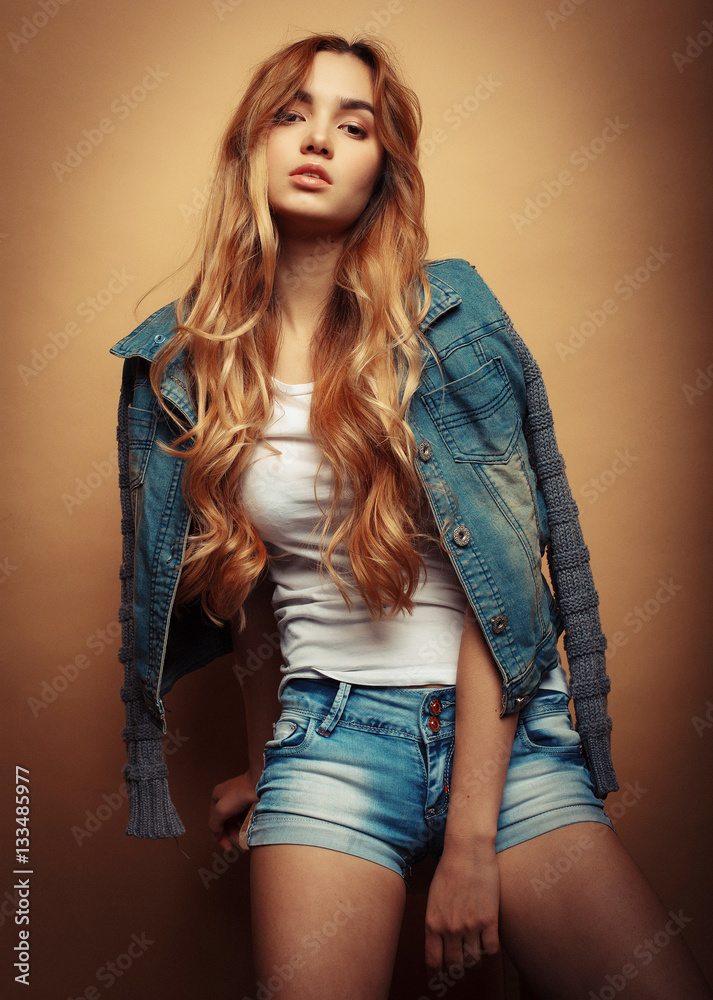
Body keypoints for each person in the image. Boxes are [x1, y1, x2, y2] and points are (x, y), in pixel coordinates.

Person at [111, 33, 712, 1000]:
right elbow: (253, 598)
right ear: (251, 147)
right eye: (291, 115)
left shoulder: (451, 322)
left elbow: (502, 591)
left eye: (353, 126)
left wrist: (471, 844)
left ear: (382, 170)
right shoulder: (188, 367)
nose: (318, 141)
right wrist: (274, 767)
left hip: (507, 746)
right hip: (330, 740)